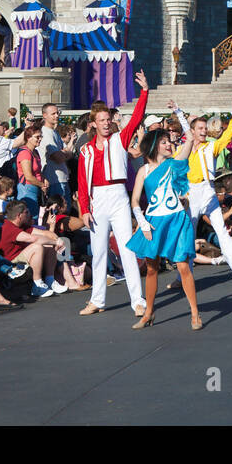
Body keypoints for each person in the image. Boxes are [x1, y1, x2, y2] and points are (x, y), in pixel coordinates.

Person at [76, 71, 151, 317]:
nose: (106, 123)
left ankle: (137, 301)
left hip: (118, 196)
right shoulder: (86, 150)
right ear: (93, 123)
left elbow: (137, 117)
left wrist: (144, 92)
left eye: (108, 119)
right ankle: (97, 300)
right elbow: (81, 183)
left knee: (127, 249)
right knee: (98, 252)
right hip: (98, 199)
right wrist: (84, 209)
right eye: (102, 120)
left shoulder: (120, 139)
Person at [128, 126, 203, 330]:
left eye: (168, 141)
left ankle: (195, 314)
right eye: (163, 142)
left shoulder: (174, 164)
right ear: (153, 146)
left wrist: (179, 113)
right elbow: (135, 200)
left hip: (176, 220)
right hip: (153, 222)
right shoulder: (143, 171)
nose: (169, 144)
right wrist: (142, 223)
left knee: (183, 266)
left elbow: (189, 140)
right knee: (152, 269)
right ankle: (149, 313)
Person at [173, 99, 232, 290]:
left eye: (205, 128)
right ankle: (183, 276)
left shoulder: (211, 146)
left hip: (207, 191)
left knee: (222, 233)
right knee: (187, 237)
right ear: (192, 131)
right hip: (190, 194)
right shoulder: (184, 149)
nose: (204, 131)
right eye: (200, 128)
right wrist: (179, 113)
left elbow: (227, 137)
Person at [0, 200, 67, 298]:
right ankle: (37, 284)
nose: (29, 214)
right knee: (37, 246)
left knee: (48, 245)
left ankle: (50, 280)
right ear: (19, 216)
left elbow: (44, 233)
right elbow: (33, 238)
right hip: (10, 264)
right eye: (26, 212)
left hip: (20, 259)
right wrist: (56, 242)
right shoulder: (8, 227)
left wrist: (57, 239)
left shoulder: (22, 226)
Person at [14, 123, 47, 217]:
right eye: (37, 137)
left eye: (41, 136)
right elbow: (28, 176)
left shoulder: (35, 152)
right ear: (28, 138)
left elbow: (38, 171)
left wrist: (44, 179)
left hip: (35, 187)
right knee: (31, 217)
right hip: (27, 188)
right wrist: (42, 185)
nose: (40, 139)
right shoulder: (25, 153)